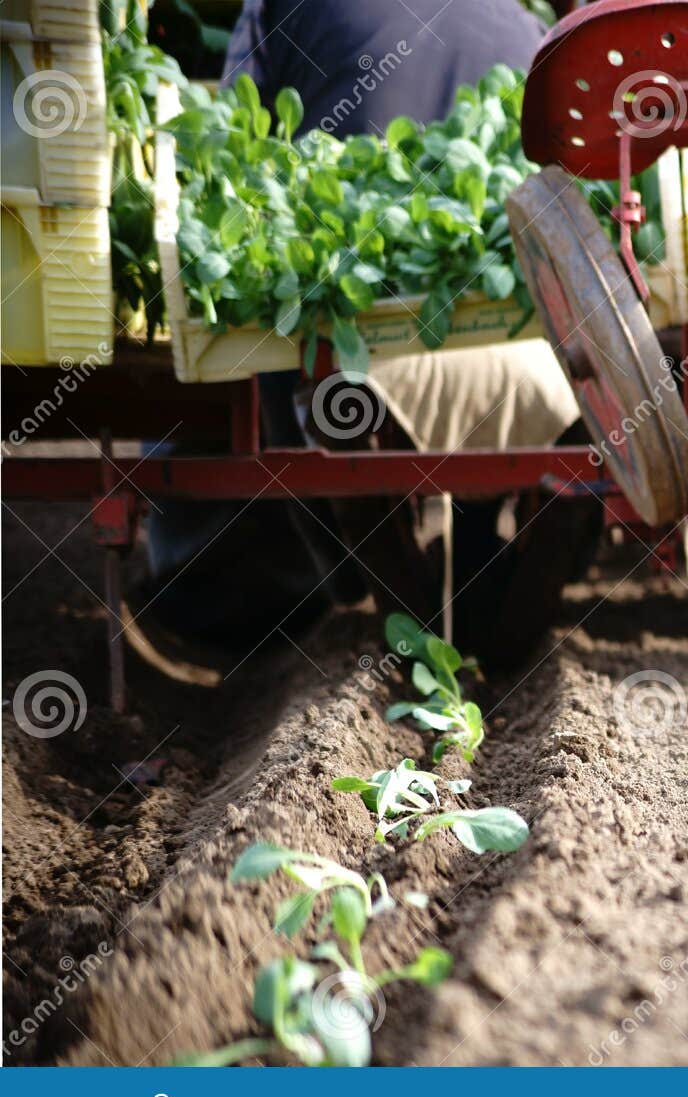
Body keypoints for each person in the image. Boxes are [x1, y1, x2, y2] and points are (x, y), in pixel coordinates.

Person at [142, 0, 587, 666]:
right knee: (479, 330)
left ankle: (344, 567)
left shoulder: (279, 10)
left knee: (270, 322)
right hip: (522, 333)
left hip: (364, 340)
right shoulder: (527, 24)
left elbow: (234, 157)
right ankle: (466, 571)